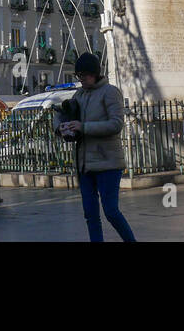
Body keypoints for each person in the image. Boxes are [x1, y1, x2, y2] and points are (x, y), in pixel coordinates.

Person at [53, 52, 136, 241]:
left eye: (84, 75)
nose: (81, 79)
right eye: (78, 76)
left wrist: (84, 127)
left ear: (94, 73)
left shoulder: (110, 92)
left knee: (111, 211)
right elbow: (62, 112)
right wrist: (61, 126)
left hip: (108, 163)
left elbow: (116, 124)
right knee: (90, 215)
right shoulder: (79, 94)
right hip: (84, 165)